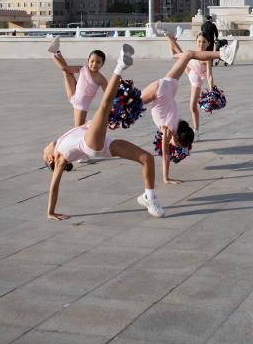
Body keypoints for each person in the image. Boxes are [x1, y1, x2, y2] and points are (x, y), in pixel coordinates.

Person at [43, 44, 167, 219]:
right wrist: (51, 212)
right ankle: (120, 65)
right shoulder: (60, 157)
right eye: (44, 152)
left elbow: (67, 72)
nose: (46, 146)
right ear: (50, 159)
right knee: (104, 106)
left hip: (104, 143)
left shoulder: (63, 138)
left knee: (147, 158)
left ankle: (149, 196)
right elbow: (54, 186)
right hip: (90, 144)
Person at [141, 41, 238, 184]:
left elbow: (175, 144)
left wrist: (183, 144)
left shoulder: (178, 123)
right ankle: (223, 54)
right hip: (160, 91)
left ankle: (222, 54)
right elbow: (166, 156)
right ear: (176, 137)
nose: (173, 145)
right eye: (177, 144)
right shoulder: (168, 130)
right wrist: (166, 178)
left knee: (188, 54)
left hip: (171, 87)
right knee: (128, 105)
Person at [162, 28, 214, 136]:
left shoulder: (207, 57)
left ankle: (196, 130)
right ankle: (168, 36)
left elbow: (209, 75)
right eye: (199, 41)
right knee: (176, 54)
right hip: (191, 69)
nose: (201, 44)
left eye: (204, 42)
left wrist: (211, 90)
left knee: (192, 107)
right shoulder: (193, 52)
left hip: (196, 79)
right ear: (196, 42)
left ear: (208, 43)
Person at [48, 37, 108, 128]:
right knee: (65, 70)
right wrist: (54, 58)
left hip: (82, 105)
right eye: (92, 61)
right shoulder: (83, 68)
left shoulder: (101, 78)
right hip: (74, 94)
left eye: (98, 62)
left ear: (102, 64)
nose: (94, 64)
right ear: (88, 61)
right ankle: (55, 53)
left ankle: (84, 133)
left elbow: (109, 93)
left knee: (77, 129)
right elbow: (65, 68)